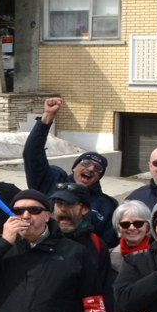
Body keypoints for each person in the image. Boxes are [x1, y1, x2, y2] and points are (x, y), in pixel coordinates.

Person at [22, 97, 116, 229]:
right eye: (86, 162)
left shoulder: (106, 205)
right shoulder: (50, 182)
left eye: (98, 168)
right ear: (74, 168)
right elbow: (32, 154)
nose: (91, 168)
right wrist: (47, 117)